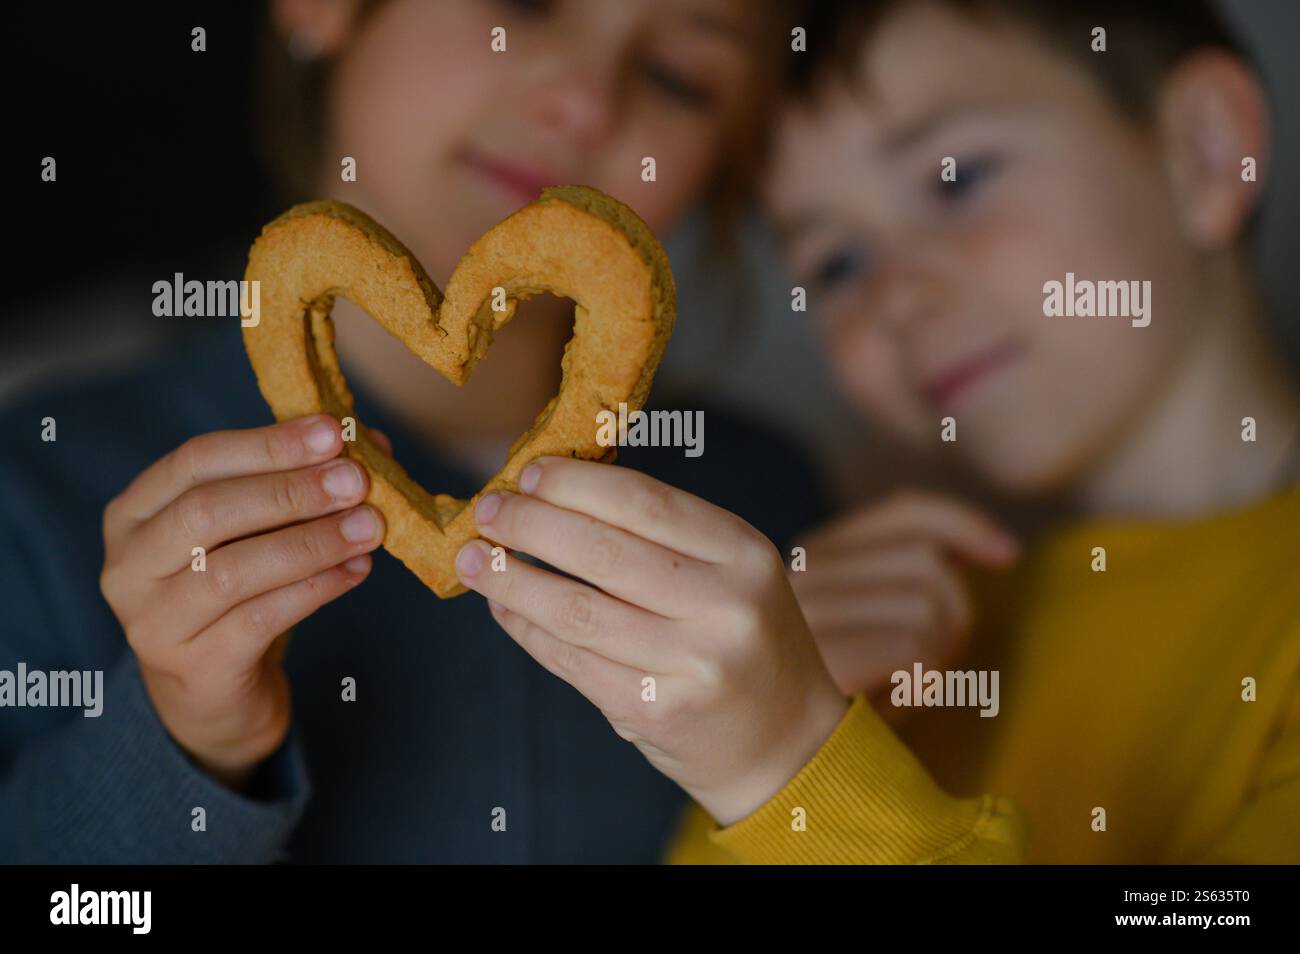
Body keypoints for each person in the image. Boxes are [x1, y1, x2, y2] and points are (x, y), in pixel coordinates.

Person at [448, 0, 1300, 863]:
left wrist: (791, 768)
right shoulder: (897, 638)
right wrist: (792, 730)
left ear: (1203, 145)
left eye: (956, 179)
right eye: (838, 264)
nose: (896, 297)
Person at [0, 0, 825, 863]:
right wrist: (183, 742)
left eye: (678, 78)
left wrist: (801, 758)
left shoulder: (768, 519)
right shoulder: (43, 483)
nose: (584, 101)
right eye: (527, 5)